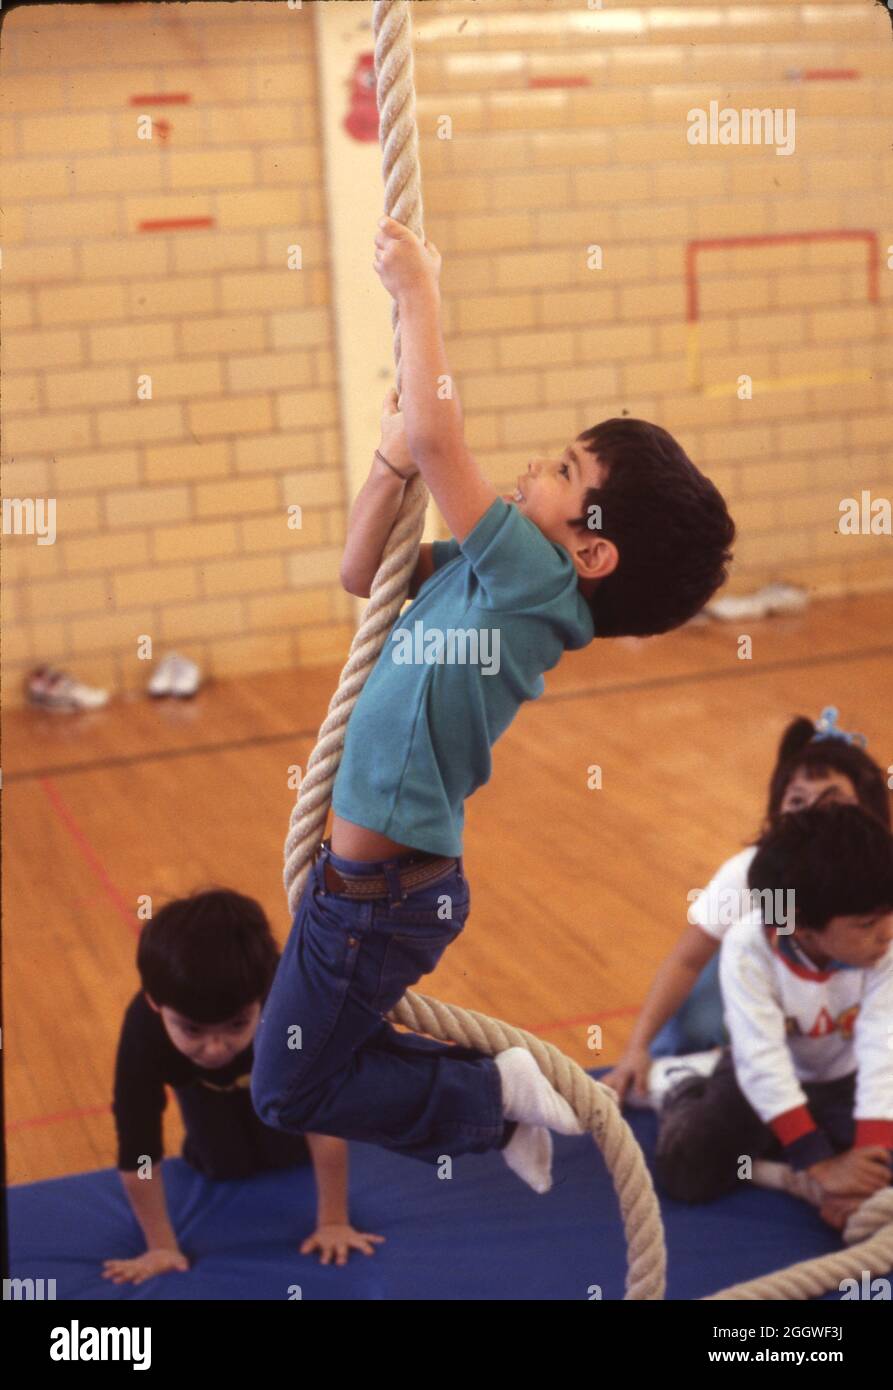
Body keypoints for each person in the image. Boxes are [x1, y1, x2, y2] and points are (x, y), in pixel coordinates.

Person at [251, 214, 736, 1197]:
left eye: (563, 471)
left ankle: (488, 1097)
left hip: (378, 897)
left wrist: (418, 292)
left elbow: (442, 437)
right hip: (379, 890)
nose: (533, 469)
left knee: (284, 1087)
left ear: (588, 553)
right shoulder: (485, 574)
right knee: (306, 1070)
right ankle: (492, 1096)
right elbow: (360, 572)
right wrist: (389, 459)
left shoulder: (533, 584)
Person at [604, 711, 891, 1104]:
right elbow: (687, 960)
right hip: (773, 988)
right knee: (699, 1020)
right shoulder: (748, 875)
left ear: (870, 806)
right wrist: (637, 1048)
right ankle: (677, 1075)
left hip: (855, 993)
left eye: (831, 799)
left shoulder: (881, 869)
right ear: (776, 810)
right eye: (797, 800)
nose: (811, 811)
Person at [103, 890, 383, 1286]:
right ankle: (221, 1089)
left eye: (235, 1024)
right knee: (222, 1164)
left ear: (259, 997)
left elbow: (323, 1124)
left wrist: (334, 1221)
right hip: (195, 1080)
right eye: (193, 1029)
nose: (215, 1047)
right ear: (154, 1003)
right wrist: (161, 1246)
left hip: (271, 1064)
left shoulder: (286, 1006)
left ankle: (245, 1076)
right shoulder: (144, 1032)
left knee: (287, 1151)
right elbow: (138, 1153)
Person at [650, 802, 893, 1228]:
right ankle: (683, 1086)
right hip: (759, 1069)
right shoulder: (750, 946)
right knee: (689, 1170)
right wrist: (818, 1165)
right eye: (868, 923)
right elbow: (761, 1058)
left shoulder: (884, 946)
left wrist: (867, 1165)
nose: (886, 931)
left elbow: (883, 1043)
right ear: (804, 928)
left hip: (848, 1074)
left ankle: (785, 1158)